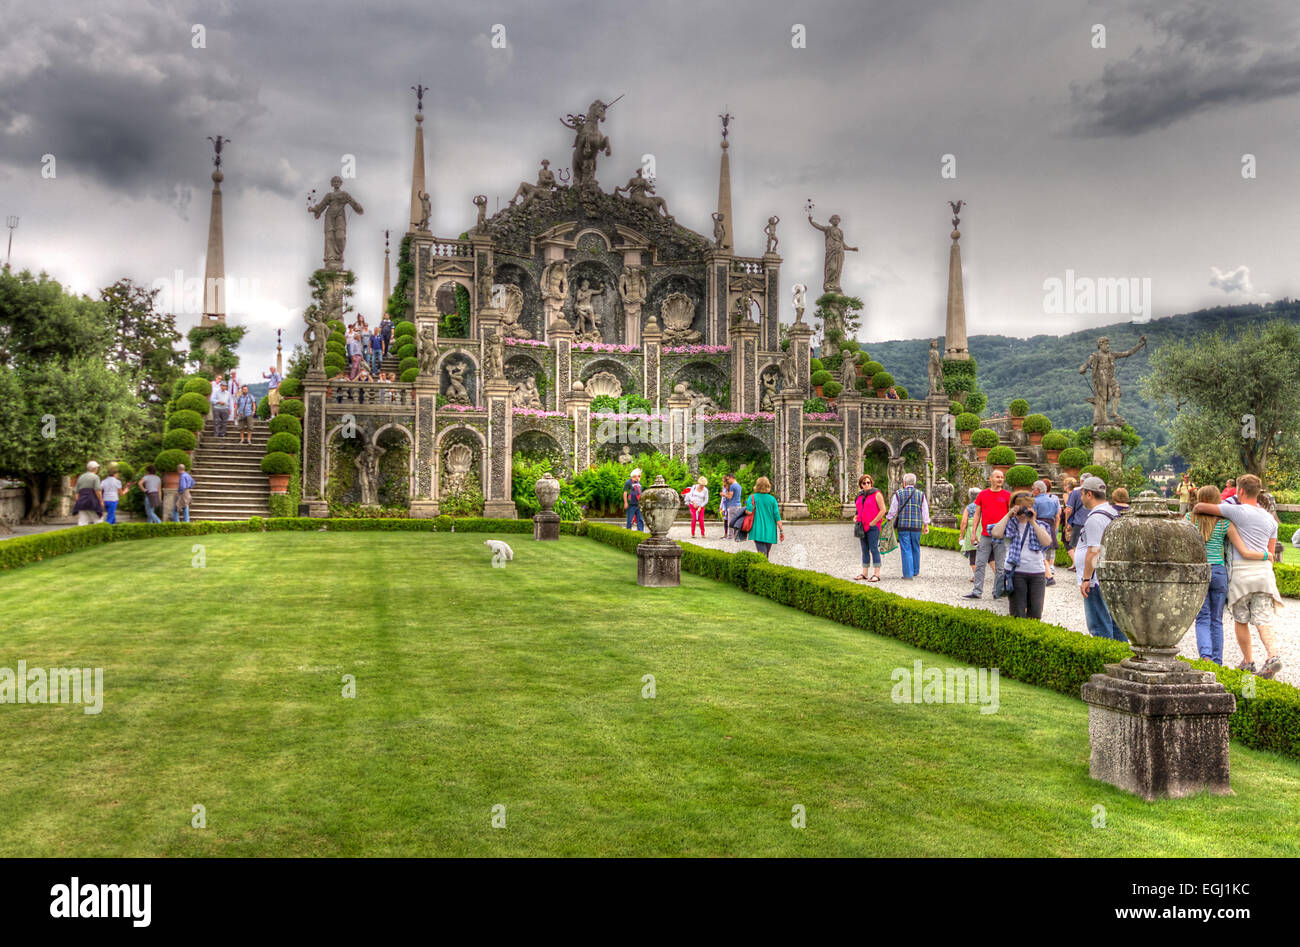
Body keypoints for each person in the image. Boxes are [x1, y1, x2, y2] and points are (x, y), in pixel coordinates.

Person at [1192, 474, 1284, 678]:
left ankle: (1248, 660)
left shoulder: (1236, 511)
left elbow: (1200, 508)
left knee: (1240, 619)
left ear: (1240, 491)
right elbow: (1270, 555)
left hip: (1241, 575)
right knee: (1263, 618)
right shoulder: (1271, 520)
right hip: (1263, 574)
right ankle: (1272, 655)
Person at [1076, 476, 1126, 642]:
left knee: (1099, 625)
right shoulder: (1112, 512)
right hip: (1109, 575)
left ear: (1089, 494)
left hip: (1097, 579)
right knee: (1115, 623)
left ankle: (1106, 659)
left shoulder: (1096, 518)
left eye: (1082, 494)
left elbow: (1095, 551)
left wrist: (1086, 579)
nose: (1081, 497)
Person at [991, 491, 1053, 619]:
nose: (1025, 510)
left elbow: (1047, 542)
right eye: (1022, 506)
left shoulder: (1040, 525)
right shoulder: (1009, 524)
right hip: (1016, 572)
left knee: (1036, 612)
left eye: (1028, 506)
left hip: (1037, 573)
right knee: (1017, 612)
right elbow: (996, 533)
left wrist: (1033, 522)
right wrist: (1009, 514)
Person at [964, 469, 1010, 599]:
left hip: (1001, 536)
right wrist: (973, 533)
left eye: (1002, 477)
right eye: (997, 477)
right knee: (980, 563)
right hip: (985, 535)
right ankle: (977, 592)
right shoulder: (983, 495)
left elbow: (1011, 515)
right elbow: (977, 514)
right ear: (990, 479)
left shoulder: (1007, 495)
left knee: (1000, 566)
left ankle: (997, 592)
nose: (1000, 479)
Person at [884, 472, 930, 580]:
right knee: (916, 547)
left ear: (904, 483)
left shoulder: (898, 494)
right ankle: (915, 571)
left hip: (903, 526)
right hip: (916, 526)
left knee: (906, 549)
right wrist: (926, 524)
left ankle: (908, 574)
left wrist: (888, 519)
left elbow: (893, 510)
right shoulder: (921, 494)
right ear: (914, 483)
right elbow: (925, 511)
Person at [853, 473, 886, 582]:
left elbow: (883, 510)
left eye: (869, 482)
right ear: (861, 485)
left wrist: (874, 522)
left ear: (871, 483)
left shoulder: (877, 494)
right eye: (864, 483)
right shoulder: (859, 496)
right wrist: (855, 517)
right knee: (864, 550)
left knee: (874, 549)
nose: (867, 484)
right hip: (861, 526)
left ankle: (876, 574)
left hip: (873, 526)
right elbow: (858, 511)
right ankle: (864, 573)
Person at [744, 476, 784, 559]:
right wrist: (781, 531)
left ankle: (762, 569)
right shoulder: (772, 499)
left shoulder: (752, 498)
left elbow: (749, 512)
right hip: (770, 531)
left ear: (757, 486)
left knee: (762, 555)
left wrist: (745, 511)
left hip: (757, 529)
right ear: (768, 486)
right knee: (765, 555)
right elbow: (777, 516)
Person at [1031, 480, 1061, 585]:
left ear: (1038, 490)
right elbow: (1057, 516)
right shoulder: (1052, 500)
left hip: (1040, 524)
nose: (1032, 491)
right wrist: (1056, 527)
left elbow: (1034, 515)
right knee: (1050, 548)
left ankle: (1047, 574)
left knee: (1040, 550)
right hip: (1051, 524)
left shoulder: (1035, 501)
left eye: (1033, 489)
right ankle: (1050, 569)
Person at [958, 487, 981, 582]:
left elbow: (964, 522)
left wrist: (961, 535)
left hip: (972, 531)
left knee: (973, 555)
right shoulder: (983, 505)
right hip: (982, 530)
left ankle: (977, 576)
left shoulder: (969, 507)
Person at [72, 461, 104, 526]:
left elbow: (76, 491)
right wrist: (101, 501)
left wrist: (78, 501)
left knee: (82, 522)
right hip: (92, 501)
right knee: (98, 520)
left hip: (82, 501)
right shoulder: (95, 477)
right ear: (95, 468)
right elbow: (97, 490)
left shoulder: (81, 477)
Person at [719, 473, 743, 540]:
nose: (727, 481)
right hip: (738, 505)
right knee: (736, 522)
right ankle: (736, 535)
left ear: (731, 478)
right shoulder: (739, 486)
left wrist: (723, 494)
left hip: (732, 506)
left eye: (728, 479)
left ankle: (730, 536)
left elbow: (730, 496)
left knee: (730, 522)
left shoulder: (732, 486)